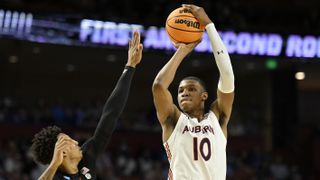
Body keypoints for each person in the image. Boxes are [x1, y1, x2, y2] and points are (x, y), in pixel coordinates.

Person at [30, 31, 143, 180]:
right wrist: (53, 164)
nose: (76, 141)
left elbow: (111, 113)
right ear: (60, 153)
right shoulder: (56, 176)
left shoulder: (87, 155)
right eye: (69, 142)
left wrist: (130, 67)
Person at [152, 4, 235, 180]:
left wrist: (209, 25)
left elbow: (227, 75)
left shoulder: (218, 118)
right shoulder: (173, 121)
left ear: (204, 96)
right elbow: (159, 86)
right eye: (180, 90)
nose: (184, 93)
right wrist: (182, 51)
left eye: (191, 89)